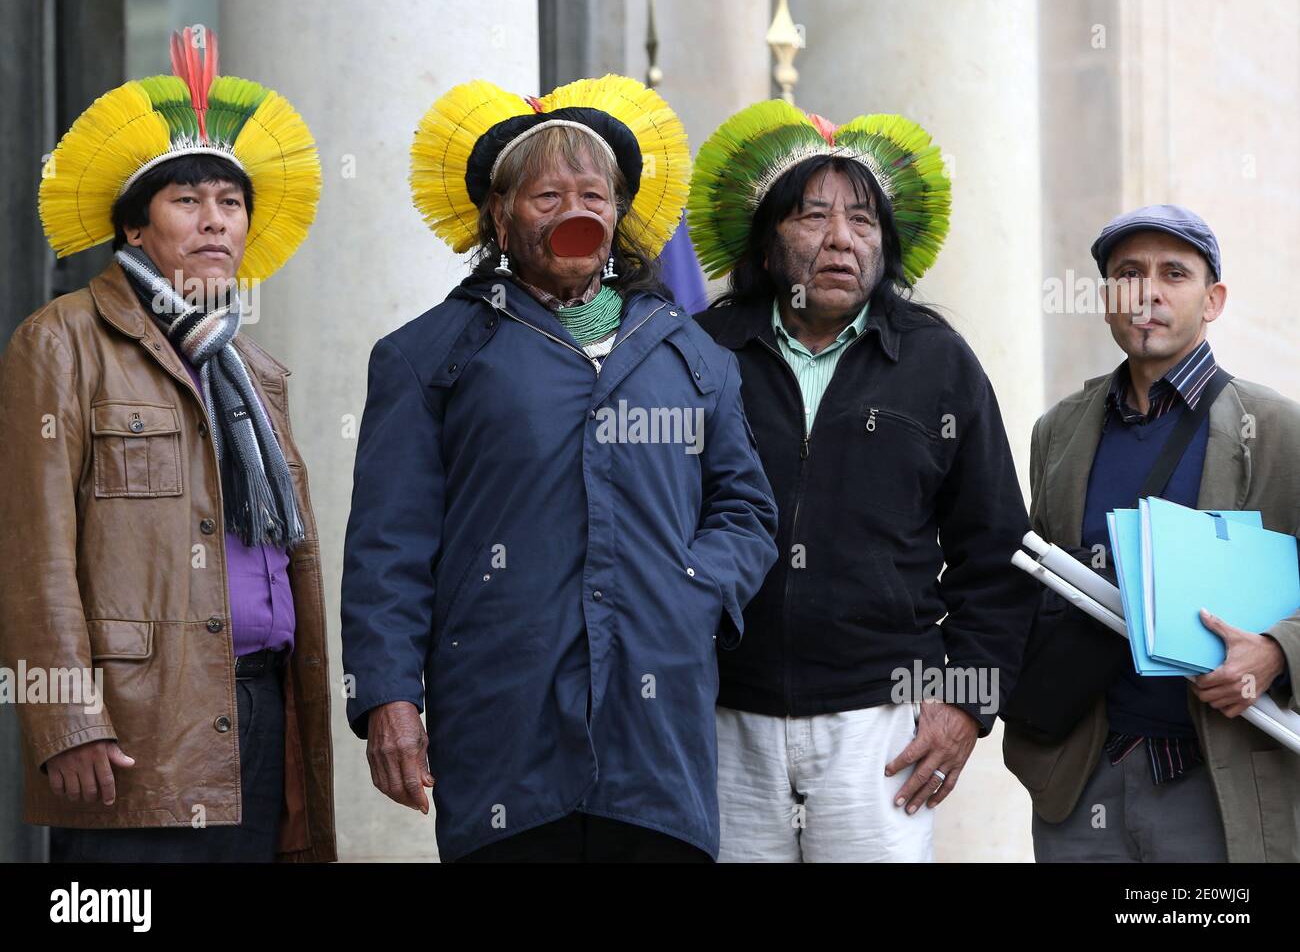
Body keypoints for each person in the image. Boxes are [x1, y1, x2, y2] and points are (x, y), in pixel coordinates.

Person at [340, 75, 778, 862]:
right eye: (546, 196)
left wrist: (693, 589)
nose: (575, 211)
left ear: (618, 216)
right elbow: (387, 548)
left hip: (657, 736)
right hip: (502, 724)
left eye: (592, 194)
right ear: (498, 218)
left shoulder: (691, 353)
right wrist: (388, 697)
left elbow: (745, 509)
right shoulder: (429, 356)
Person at [0, 27, 335, 862]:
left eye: (230, 202)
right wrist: (67, 716)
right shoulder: (62, 340)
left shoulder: (255, 366)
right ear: (136, 231)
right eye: (188, 202)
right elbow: (31, 548)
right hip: (134, 722)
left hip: (260, 711)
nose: (215, 221)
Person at [689, 101, 1036, 861]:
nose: (842, 239)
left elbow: (998, 552)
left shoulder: (937, 363)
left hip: (882, 723)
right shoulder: (703, 354)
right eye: (812, 216)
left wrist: (966, 705)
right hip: (720, 717)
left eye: (864, 222)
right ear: (768, 240)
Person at [1003, 204, 1300, 862]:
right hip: (1083, 784)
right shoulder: (1059, 432)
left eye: (1174, 273)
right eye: (1129, 274)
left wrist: (1279, 651)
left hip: (1220, 786)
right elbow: (1031, 589)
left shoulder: (1279, 430)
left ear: (1213, 299)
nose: (1150, 293)